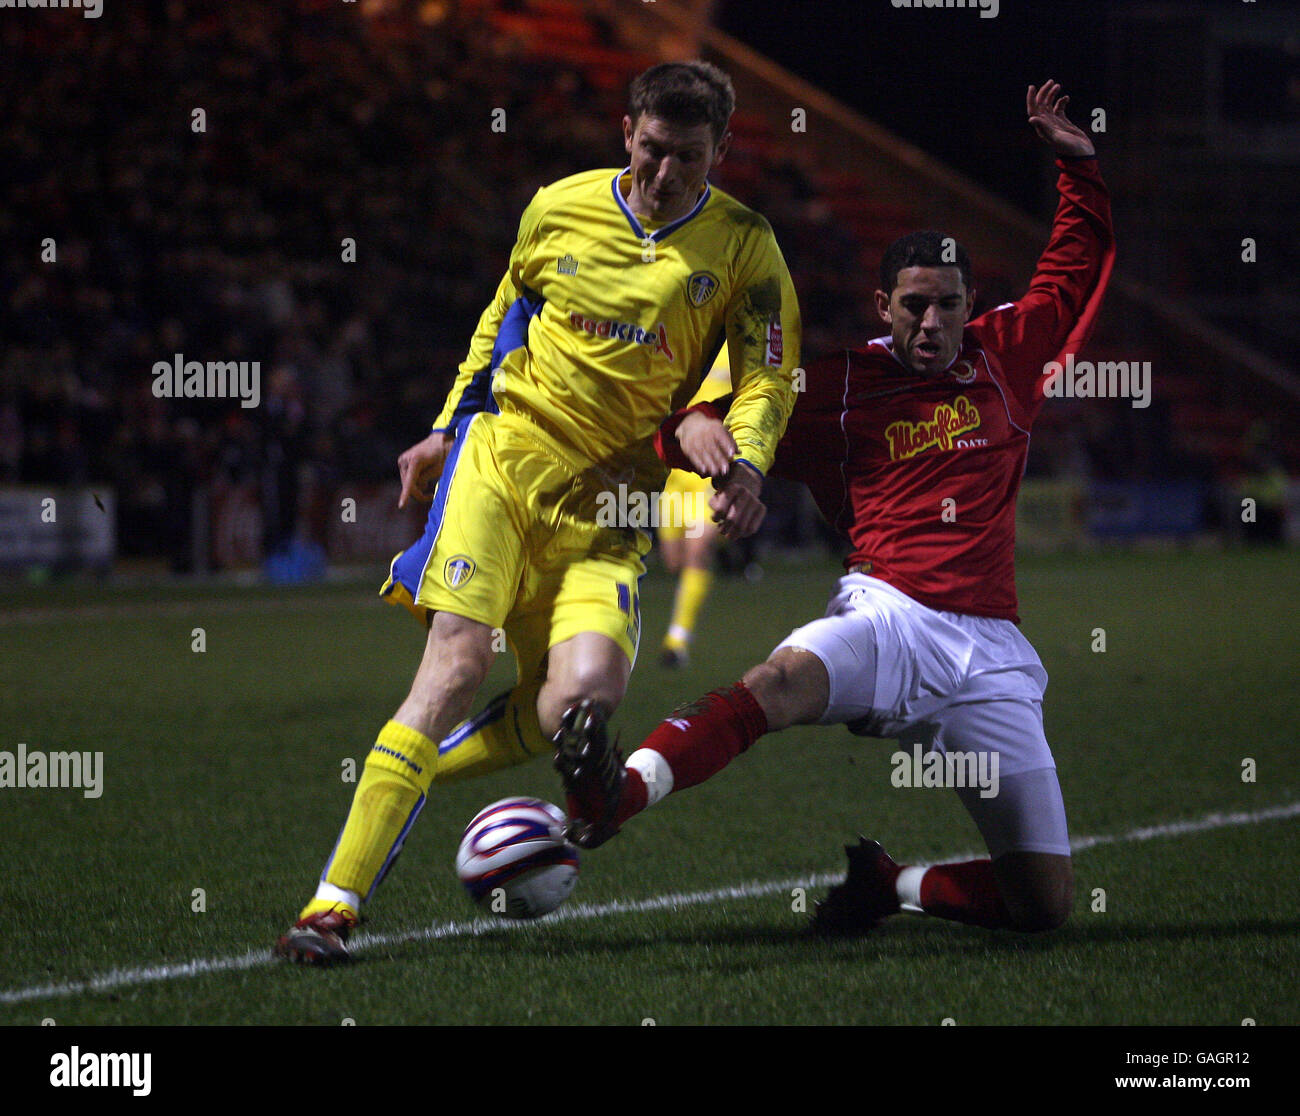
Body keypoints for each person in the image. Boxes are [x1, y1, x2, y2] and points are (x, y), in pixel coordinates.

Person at [557, 81, 1115, 936]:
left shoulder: (1008, 355)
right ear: (883, 308)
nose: (933, 322)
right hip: (885, 616)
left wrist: (1077, 166)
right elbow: (715, 411)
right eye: (914, 305)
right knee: (776, 683)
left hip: (992, 651)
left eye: (950, 304)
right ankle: (615, 793)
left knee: (1041, 904)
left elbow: (1074, 269)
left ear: (972, 306)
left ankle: (889, 885)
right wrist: (694, 429)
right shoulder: (836, 384)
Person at [274, 61, 801, 964]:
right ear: (625, 131)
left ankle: (411, 770)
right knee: (456, 662)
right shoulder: (557, 206)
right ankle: (332, 908)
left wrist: (746, 459)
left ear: (723, 148)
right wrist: (447, 426)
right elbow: (502, 318)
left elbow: (768, 374)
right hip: (507, 461)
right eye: (651, 150)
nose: (665, 172)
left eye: (688, 156)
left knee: (576, 707)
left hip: (613, 503)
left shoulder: (745, 247)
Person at [656, 348, 732, 668]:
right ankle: (735, 558)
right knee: (673, 561)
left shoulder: (742, 339)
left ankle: (677, 641)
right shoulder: (683, 329)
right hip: (673, 466)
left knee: (698, 549)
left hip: (710, 463)